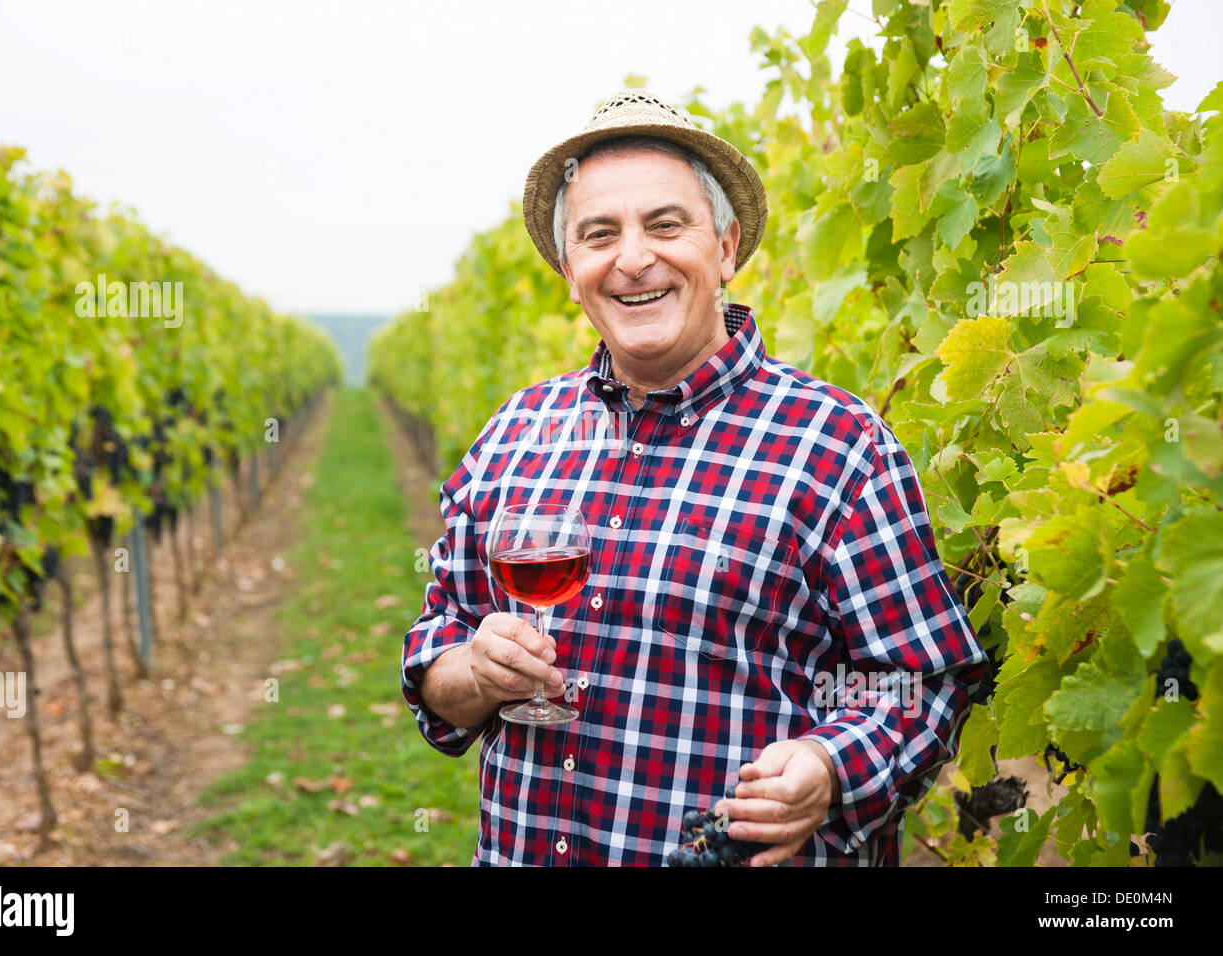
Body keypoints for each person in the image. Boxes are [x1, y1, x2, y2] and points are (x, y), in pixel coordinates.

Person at [401, 89, 988, 866]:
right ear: (571, 272)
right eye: (598, 235)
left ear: (727, 247)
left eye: (666, 225)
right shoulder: (514, 433)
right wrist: (472, 670)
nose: (633, 258)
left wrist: (828, 767)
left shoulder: (838, 447)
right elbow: (438, 643)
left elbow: (921, 683)